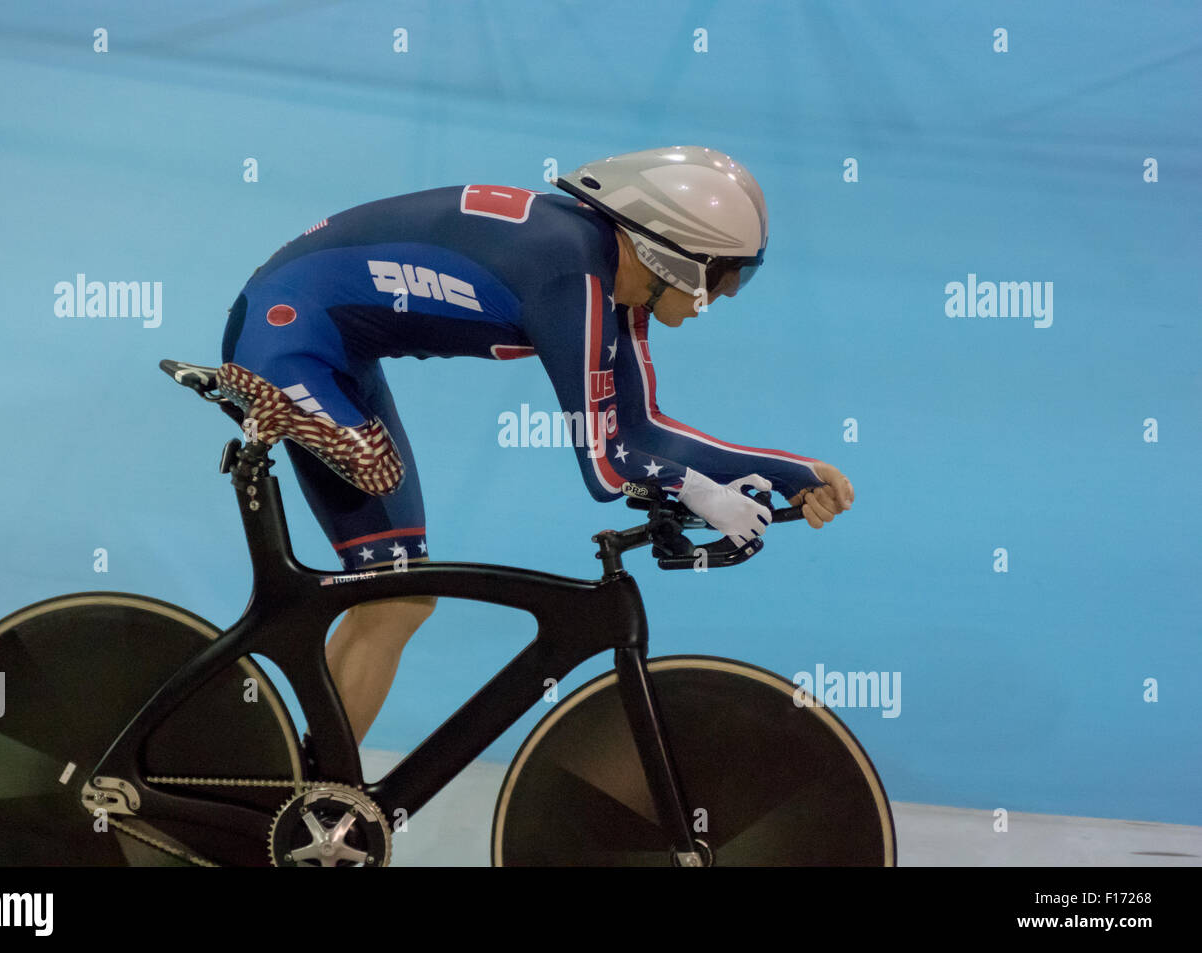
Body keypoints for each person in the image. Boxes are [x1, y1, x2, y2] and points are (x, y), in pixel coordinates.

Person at [219, 146, 854, 745]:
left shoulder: (608, 275)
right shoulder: (571, 279)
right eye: (718, 282)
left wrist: (787, 471)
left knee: (397, 601)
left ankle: (300, 796)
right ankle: (274, 405)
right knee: (375, 485)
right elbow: (605, 468)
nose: (713, 302)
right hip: (283, 339)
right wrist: (702, 493)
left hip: (331, 348)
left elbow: (640, 429)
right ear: (672, 258)